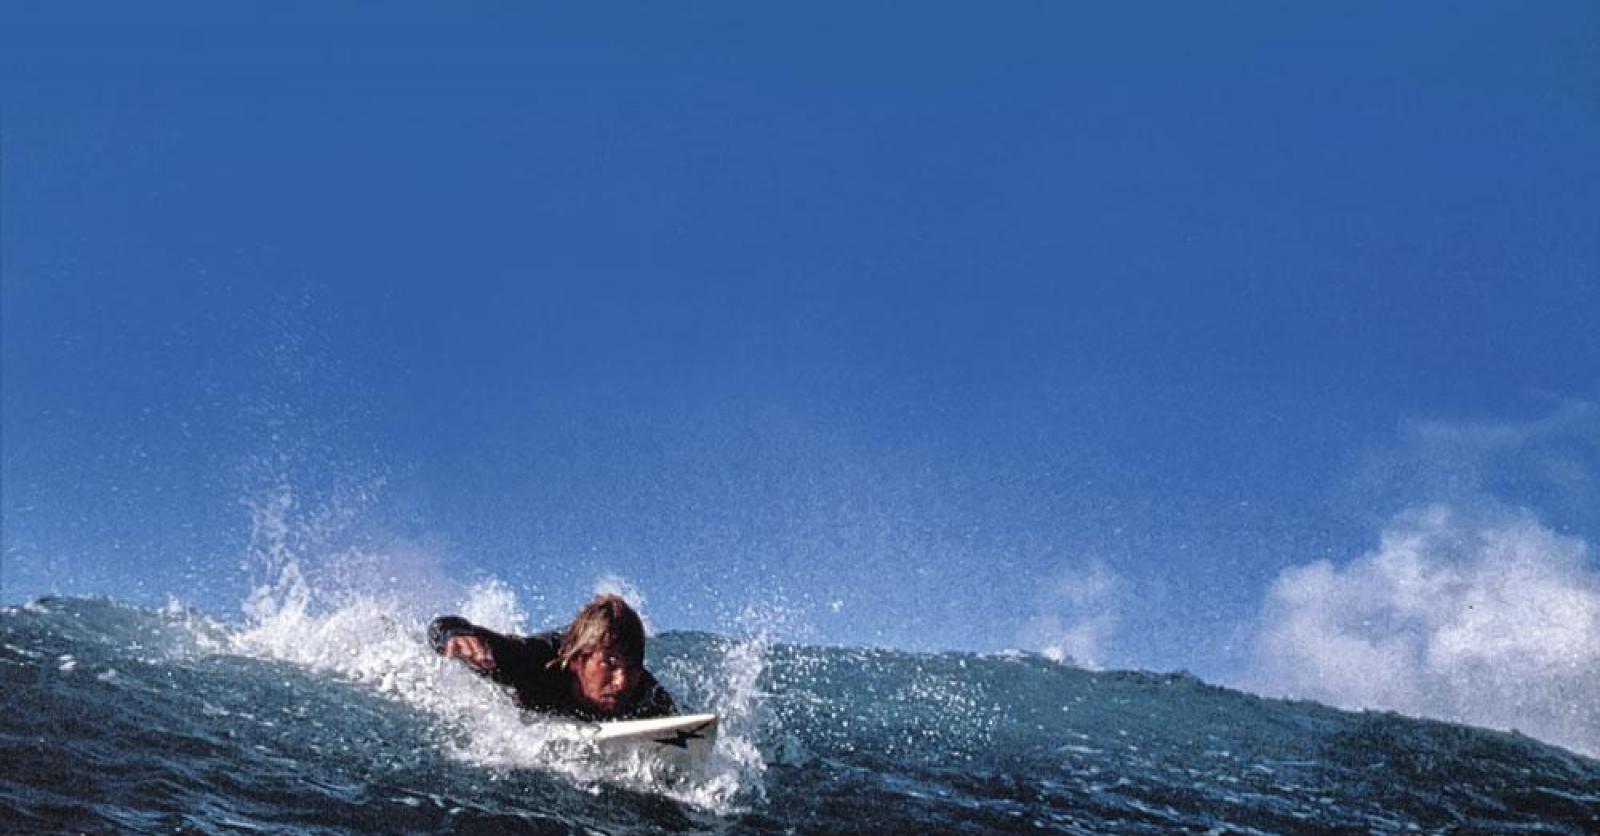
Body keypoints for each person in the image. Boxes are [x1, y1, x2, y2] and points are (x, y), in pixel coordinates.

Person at [428, 594, 674, 721]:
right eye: (609, 664)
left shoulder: (643, 689)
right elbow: (440, 627)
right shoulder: (535, 662)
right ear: (579, 660)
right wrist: (455, 634)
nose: (622, 681)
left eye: (631, 667)